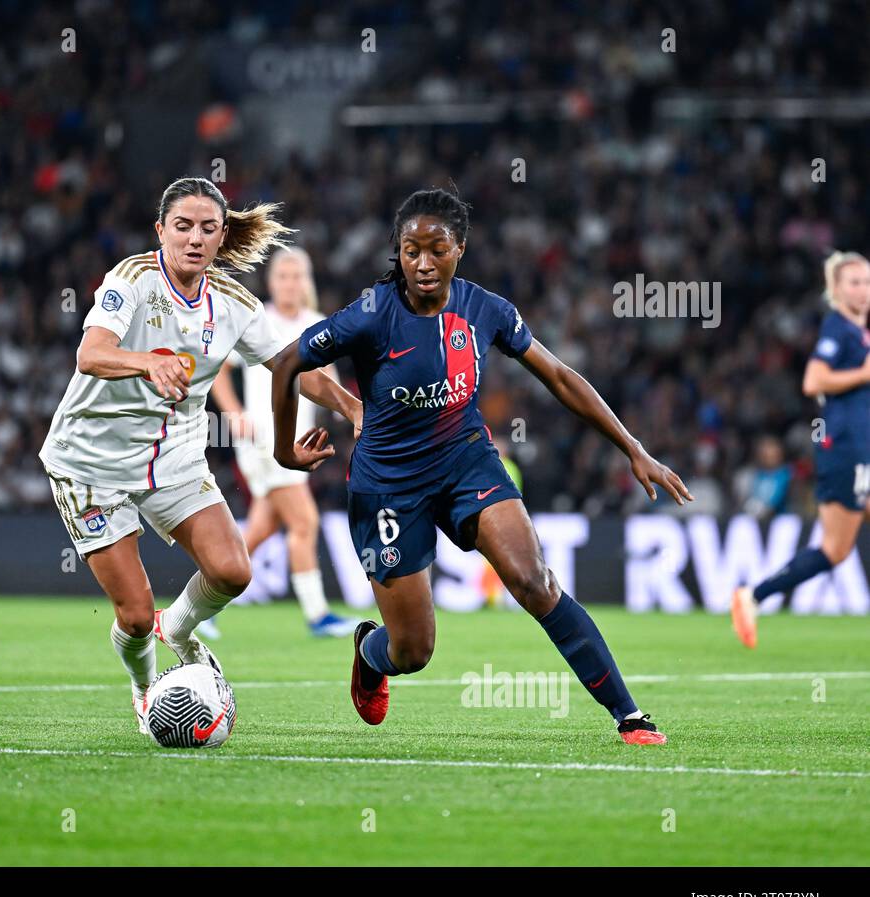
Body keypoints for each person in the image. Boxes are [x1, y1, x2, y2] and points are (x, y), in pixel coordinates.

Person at [269, 187, 691, 745]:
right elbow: (287, 364)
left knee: (534, 580)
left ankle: (629, 716)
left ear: (459, 249)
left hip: (466, 463)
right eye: (410, 250)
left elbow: (560, 377)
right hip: (388, 486)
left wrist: (633, 447)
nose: (422, 263)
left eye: (436, 249)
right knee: (413, 651)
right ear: (396, 251)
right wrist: (284, 448)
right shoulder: (371, 314)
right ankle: (370, 653)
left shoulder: (486, 309)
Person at [39, 177, 362, 732]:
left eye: (208, 229)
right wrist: (147, 362)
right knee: (136, 616)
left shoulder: (235, 305)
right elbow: (91, 354)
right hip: (89, 460)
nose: (194, 238)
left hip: (173, 458)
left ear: (221, 238)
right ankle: (146, 693)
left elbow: (290, 369)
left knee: (233, 571)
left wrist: (355, 410)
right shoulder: (132, 280)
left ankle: (181, 630)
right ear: (160, 230)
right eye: (182, 226)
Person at [206, 246, 358, 638]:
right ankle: (317, 614)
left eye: (296, 276)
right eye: (283, 276)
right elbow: (220, 369)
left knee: (261, 529)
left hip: (297, 442)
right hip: (264, 440)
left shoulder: (317, 322)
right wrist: (233, 413)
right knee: (304, 520)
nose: (290, 284)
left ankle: (202, 600)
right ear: (272, 283)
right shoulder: (259, 321)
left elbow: (331, 384)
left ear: (305, 282)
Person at [732, 252, 870, 647]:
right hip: (847, 449)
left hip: (855, 446)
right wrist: (863, 373)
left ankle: (752, 597)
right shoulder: (838, 328)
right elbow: (814, 380)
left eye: (867, 282)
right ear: (836, 290)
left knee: (836, 548)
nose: (863, 290)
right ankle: (753, 596)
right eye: (854, 283)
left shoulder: (858, 334)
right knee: (835, 549)